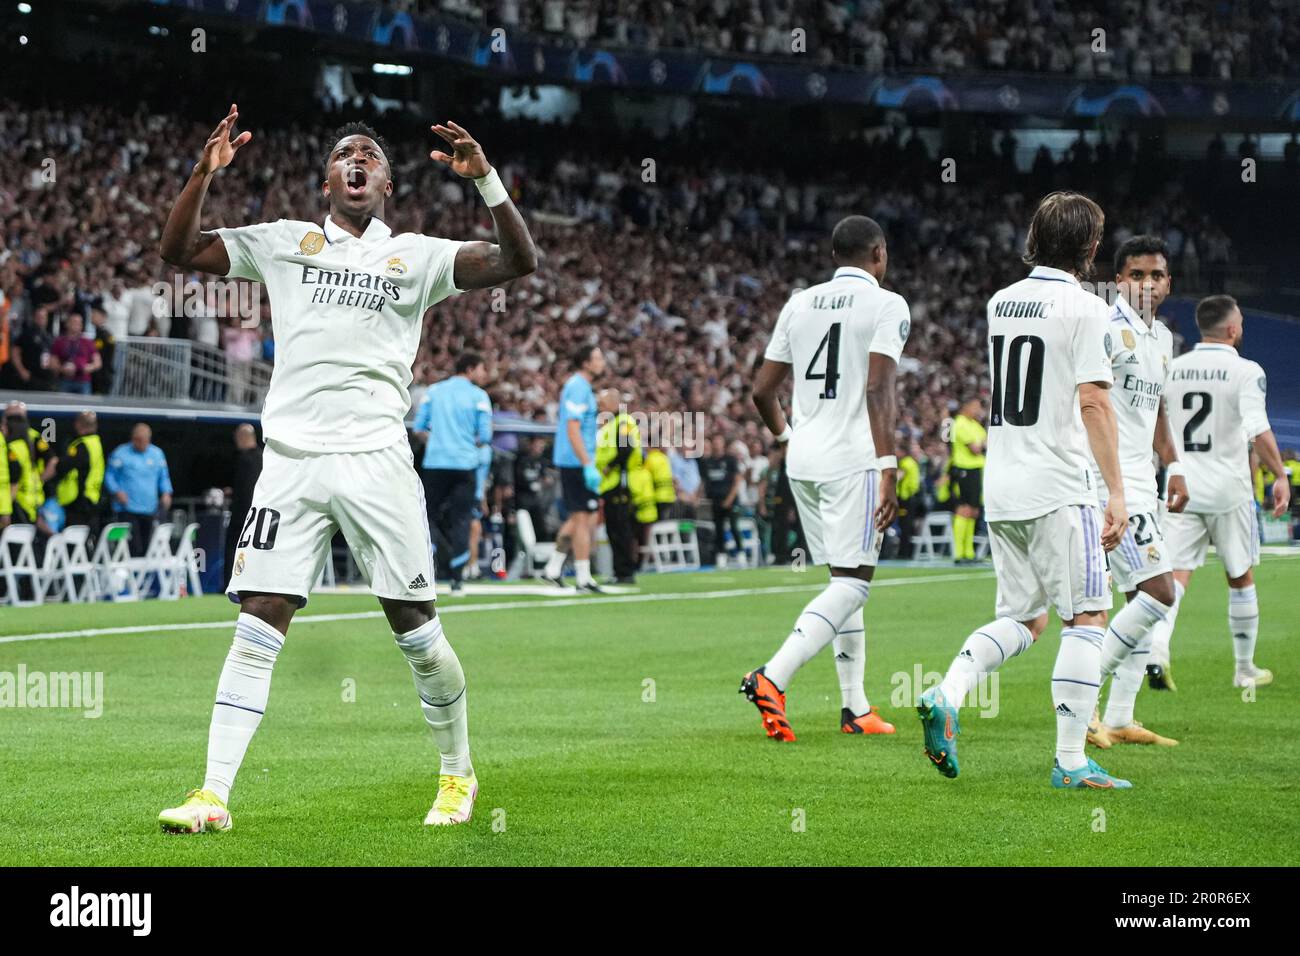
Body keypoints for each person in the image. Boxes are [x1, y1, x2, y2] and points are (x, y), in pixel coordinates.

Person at [153, 106, 537, 832]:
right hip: (291, 463)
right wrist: (204, 173)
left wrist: (485, 179)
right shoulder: (283, 242)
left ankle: (458, 775)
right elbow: (180, 252)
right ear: (327, 179)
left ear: (386, 183)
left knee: (414, 625)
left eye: (369, 156)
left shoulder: (418, 256)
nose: (356, 160)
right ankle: (212, 793)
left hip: (376, 462)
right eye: (343, 154)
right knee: (260, 615)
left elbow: (519, 262)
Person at [917, 191, 1132, 789]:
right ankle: (1069, 763)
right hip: (1059, 483)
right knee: (1087, 617)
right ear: (1090, 247)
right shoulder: (1087, 308)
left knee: (1025, 618)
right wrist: (1117, 492)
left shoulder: (1001, 302)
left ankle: (946, 691)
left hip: (1003, 483)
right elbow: (1092, 399)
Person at [741, 214, 908, 741]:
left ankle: (855, 708)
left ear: (835, 256)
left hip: (804, 459)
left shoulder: (799, 302)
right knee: (855, 584)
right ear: (878, 254)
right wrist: (888, 466)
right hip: (852, 459)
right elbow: (878, 389)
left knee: (843, 581)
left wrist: (788, 439)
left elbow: (762, 391)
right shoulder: (887, 304)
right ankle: (773, 675)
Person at [1146, 294, 1291, 690]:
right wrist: (1280, 474)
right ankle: (1244, 669)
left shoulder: (1172, 369)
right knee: (1239, 576)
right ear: (1232, 329)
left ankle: (1157, 651)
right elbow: (1257, 427)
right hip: (1228, 489)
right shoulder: (1246, 371)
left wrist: (1168, 465)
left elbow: (1157, 424)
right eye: (1240, 321)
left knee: (1174, 576)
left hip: (1181, 487)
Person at [1085, 236, 1185, 749]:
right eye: (1137, 274)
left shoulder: (1163, 338)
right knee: (1160, 591)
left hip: (1145, 481)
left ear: (1169, 283)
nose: (1148, 283)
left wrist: (1177, 465)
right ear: (1119, 279)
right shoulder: (1103, 327)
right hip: (1111, 483)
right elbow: (1085, 400)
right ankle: (1084, 702)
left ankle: (1121, 717)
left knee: (1140, 596)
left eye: (1157, 275)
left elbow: (1159, 409)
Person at [412, 352, 493, 594]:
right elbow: (486, 436)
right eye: (481, 369)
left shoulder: (434, 392)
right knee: (461, 520)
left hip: (435, 463)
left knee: (427, 517)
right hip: (464, 464)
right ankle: (457, 579)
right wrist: (466, 444)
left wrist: (437, 443)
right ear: (470, 369)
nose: (484, 374)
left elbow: (418, 428)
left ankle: (431, 566)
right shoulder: (479, 396)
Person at [540, 344, 606, 592]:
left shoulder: (583, 388)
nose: (602, 362)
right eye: (597, 358)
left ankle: (553, 568)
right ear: (585, 362)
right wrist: (587, 463)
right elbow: (572, 428)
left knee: (582, 518)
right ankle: (583, 577)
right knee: (582, 520)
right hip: (576, 461)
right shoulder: (577, 387)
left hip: (579, 460)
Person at [594, 387, 642, 584]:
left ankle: (625, 572)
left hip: (619, 482)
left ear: (614, 404)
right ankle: (619, 571)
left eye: (602, 404)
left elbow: (626, 448)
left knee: (620, 528)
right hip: (609, 484)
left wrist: (609, 467)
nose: (600, 408)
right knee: (613, 528)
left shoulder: (623, 422)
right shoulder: (612, 423)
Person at [105, 422, 174, 555]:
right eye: (139, 440)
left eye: (145, 440)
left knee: (148, 546)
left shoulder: (157, 454)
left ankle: (144, 574)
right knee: (132, 548)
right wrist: (116, 491)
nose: (142, 444)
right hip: (127, 508)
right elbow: (109, 476)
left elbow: (163, 477)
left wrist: (166, 493)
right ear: (133, 438)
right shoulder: (121, 453)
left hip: (149, 508)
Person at [223, 423, 263, 591]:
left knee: (234, 548)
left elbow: (244, 490)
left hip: (242, 514)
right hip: (261, 514)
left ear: (242, 437)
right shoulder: (265, 457)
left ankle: (232, 583)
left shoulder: (244, 460)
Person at [54, 410, 106, 535]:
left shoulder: (81, 445)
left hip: (79, 500)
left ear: (78, 424)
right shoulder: (96, 443)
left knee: (74, 539)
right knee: (87, 537)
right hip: (93, 497)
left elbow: (62, 466)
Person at [948, 397, 986, 564]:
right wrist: (982, 443)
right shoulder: (959, 423)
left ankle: (969, 552)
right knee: (964, 509)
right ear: (966, 406)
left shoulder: (975, 425)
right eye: (975, 406)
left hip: (976, 471)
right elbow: (976, 449)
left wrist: (982, 443)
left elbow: (984, 443)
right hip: (964, 469)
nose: (978, 410)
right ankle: (958, 553)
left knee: (974, 511)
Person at [51, 314, 102, 395]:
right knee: (63, 404)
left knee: (84, 406)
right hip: (65, 380)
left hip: (83, 381)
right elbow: (52, 362)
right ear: (67, 324)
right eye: (73, 322)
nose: (76, 325)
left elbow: (98, 362)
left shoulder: (87, 342)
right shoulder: (59, 341)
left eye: (79, 323)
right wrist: (62, 369)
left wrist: (89, 367)